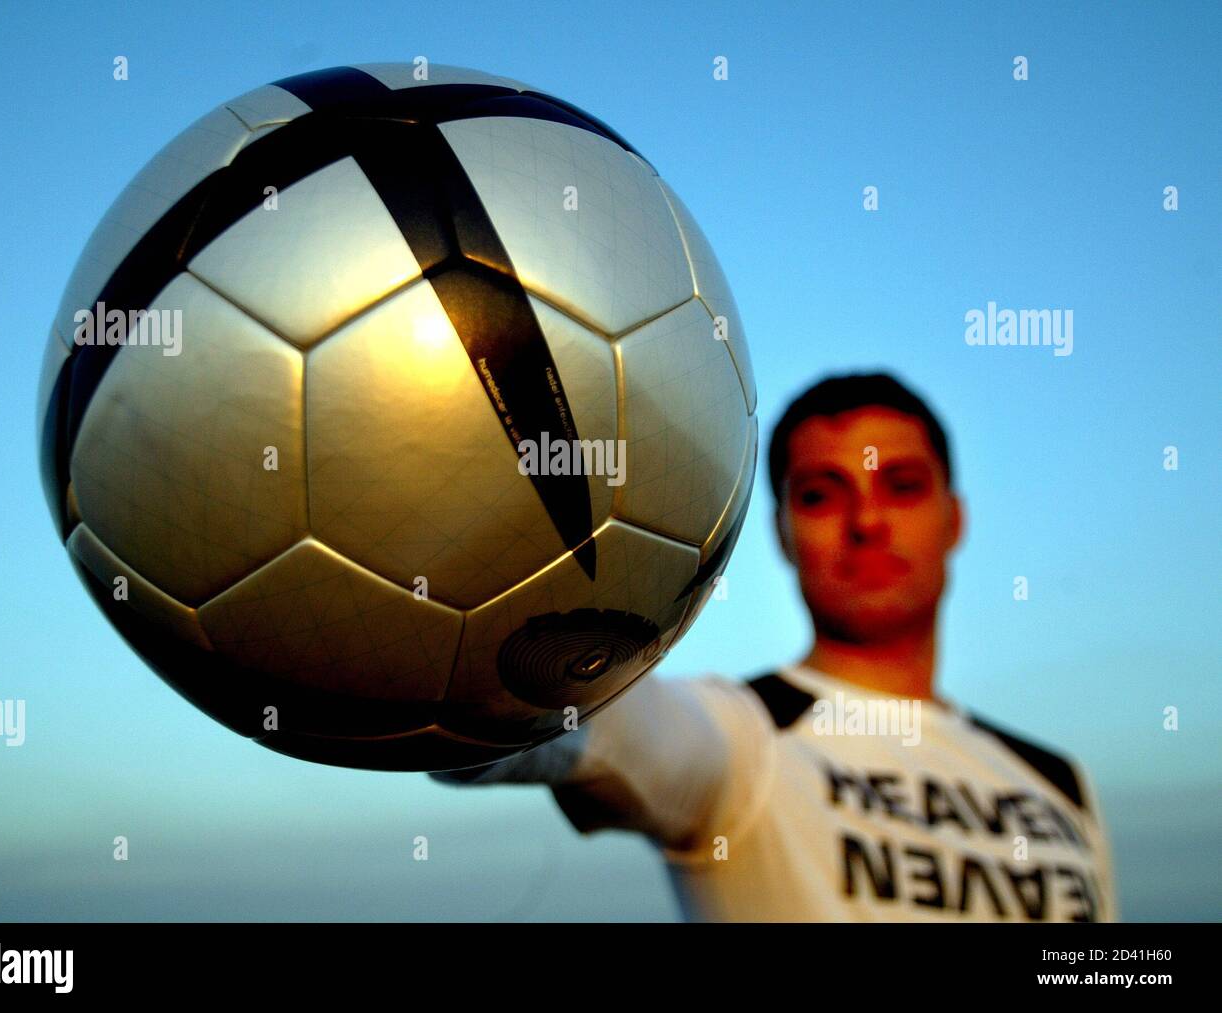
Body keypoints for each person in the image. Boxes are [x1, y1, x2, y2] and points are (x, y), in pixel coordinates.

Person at [432, 372, 1118, 922]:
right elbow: (568, 713)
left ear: (955, 516)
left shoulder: (1059, 783)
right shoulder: (744, 740)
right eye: (822, 494)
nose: (868, 521)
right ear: (784, 532)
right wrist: (461, 645)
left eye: (902, 487)